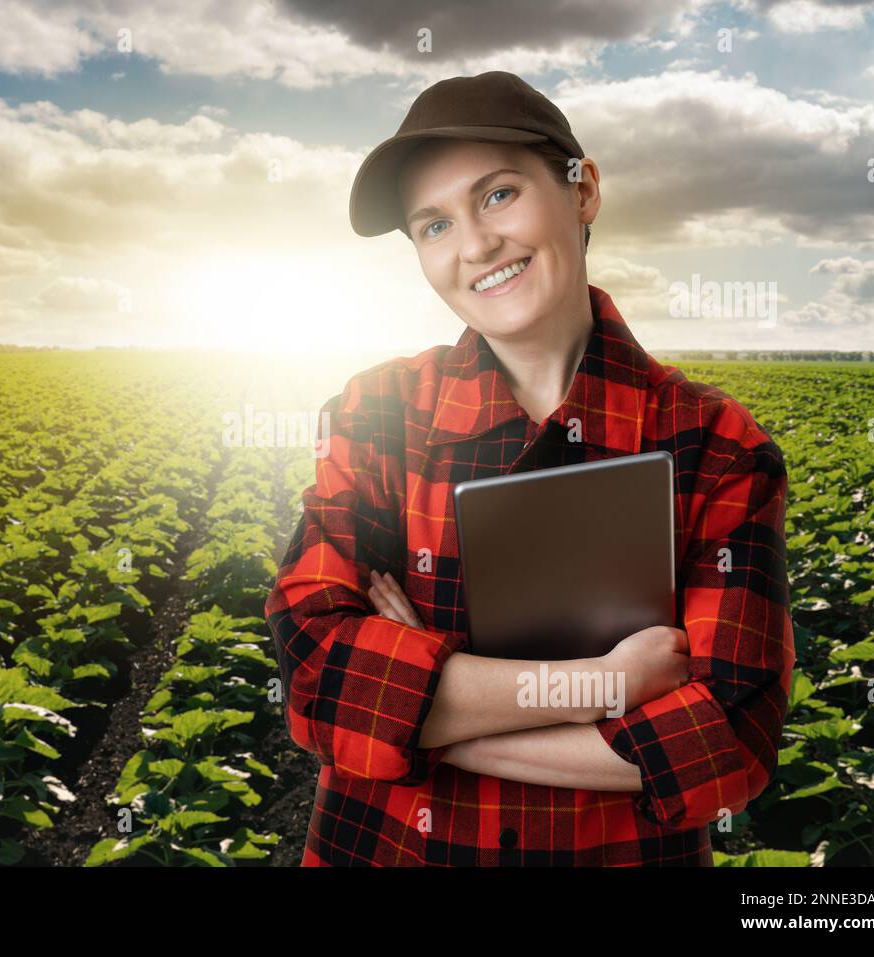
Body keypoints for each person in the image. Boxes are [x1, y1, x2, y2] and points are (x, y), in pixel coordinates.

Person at [264, 71, 795, 866]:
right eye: (433, 225)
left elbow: (721, 749)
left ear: (583, 192)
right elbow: (317, 679)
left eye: (499, 195)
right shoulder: (375, 414)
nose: (475, 245)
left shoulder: (717, 444)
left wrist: (423, 717)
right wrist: (603, 685)